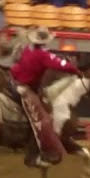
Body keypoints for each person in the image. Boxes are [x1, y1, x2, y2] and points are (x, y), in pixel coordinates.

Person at [8, 26, 80, 168]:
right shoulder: (43, 55)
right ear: (45, 42)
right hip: (24, 88)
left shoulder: (28, 50)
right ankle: (34, 156)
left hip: (13, 82)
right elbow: (60, 64)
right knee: (43, 120)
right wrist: (75, 70)